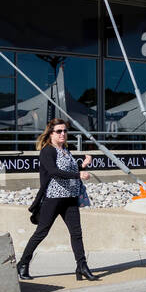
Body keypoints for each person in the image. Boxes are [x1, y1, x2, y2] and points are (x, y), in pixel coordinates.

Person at [16, 118, 98, 281]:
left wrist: (83, 165)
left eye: (65, 131)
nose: (63, 134)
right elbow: (54, 172)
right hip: (53, 198)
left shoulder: (66, 151)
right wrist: (78, 174)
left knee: (76, 233)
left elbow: (71, 170)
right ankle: (22, 264)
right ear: (51, 134)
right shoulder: (48, 151)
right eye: (59, 131)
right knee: (41, 232)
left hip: (70, 198)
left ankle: (81, 266)